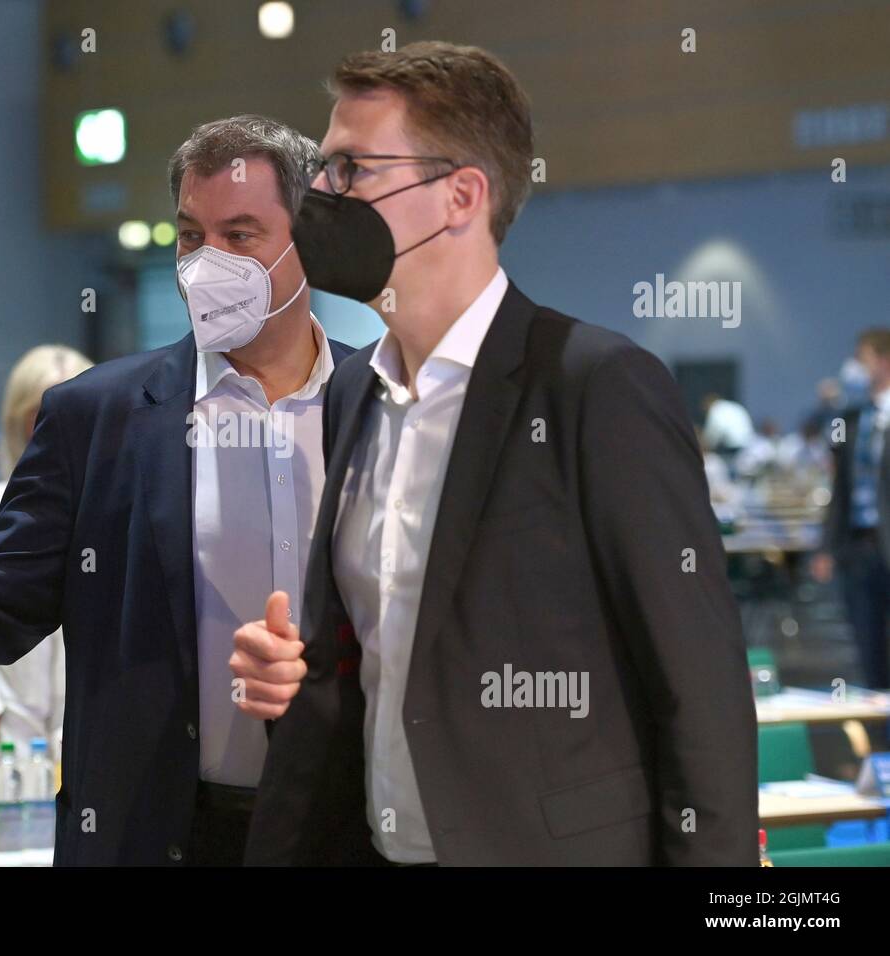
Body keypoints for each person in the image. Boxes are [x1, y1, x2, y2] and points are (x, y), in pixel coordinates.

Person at [0, 115, 357, 865]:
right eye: (188, 236)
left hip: (343, 828)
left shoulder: (377, 405)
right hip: (155, 828)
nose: (207, 263)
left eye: (240, 236)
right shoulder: (101, 415)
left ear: (309, 240)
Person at [230, 42, 756, 866]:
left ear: (461, 196)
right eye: (321, 171)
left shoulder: (595, 387)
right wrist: (291, 677)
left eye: (350, 170)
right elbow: (371, 654)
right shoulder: (351, 392)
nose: (319, 197)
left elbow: (702, 691)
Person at [0, 345, 93, 766]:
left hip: (94, 727)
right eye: (39, 413)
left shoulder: (122, 508)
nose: (54, 425)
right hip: (9, 732)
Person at [813, 328, 890, 690]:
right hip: (858, 546)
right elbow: (838, 486)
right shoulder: (852, 418)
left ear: (883, 361)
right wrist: (827, 546)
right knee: (867, 650)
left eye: (862, 358)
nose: (855, 367)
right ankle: (880, 741)